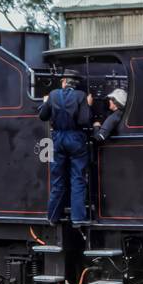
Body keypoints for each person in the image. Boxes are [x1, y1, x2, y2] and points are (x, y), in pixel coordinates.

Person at [38, 70, 92, 226]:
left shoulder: (53, 94)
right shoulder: (81, 96)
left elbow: (42, 116)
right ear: (74, 84)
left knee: (57, 179)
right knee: (78, 178)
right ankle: (77, 218)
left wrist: (45, 102)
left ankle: (53, 216)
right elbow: (84, 121)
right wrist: (88, 106)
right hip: (75, 138)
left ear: (63, 82)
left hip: (57, 139)